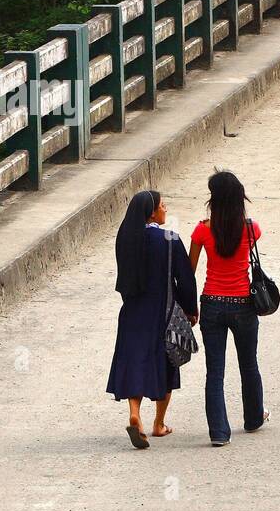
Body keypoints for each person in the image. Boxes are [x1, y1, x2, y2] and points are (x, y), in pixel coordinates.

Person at [107, 190, 198, 449]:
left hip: (133, 310)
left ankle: (135, 413)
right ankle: (159, 423)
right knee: (165, 361)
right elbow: (185, 278)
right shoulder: (169, 238)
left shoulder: (126, 238)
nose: (165, 209)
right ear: (152, 212)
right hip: (163, 310)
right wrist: (191, 308)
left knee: (135, 359)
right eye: (162, 205)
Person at [190, 171, 268, 447]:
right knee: (249, 364)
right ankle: (254, 417)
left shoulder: (201, 231)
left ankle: (219, 433)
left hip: (212, 303)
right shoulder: (251, 229)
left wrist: (189, 307)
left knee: (215, 372)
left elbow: (189, 272)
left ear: (213, 199)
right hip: (243, 305)